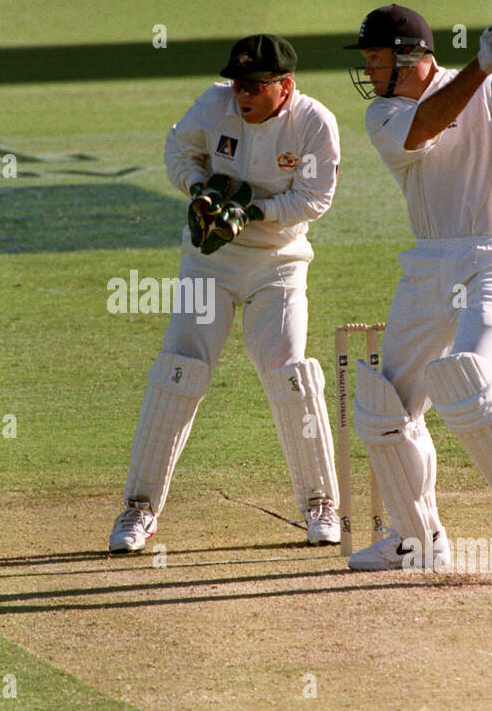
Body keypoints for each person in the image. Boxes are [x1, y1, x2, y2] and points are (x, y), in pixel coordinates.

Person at [342, 4, 492, 572]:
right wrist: (483, 66)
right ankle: (415, 540)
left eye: (374, 58)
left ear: (410, 56)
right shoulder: (387, 115)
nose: (367, 72)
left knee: (469, 378)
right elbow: (427, 125)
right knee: (382, 405)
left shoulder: (489, 90)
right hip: (427, 267)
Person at [109, 35, 342, 552]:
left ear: (285, 86)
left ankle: (321, 504)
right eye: (239, 83)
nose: (243, 94)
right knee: (180, 366)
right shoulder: (214, 102)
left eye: (256, 86)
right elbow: (179, 149)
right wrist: (200, 191)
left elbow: (315, 197)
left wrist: (251, 213)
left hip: (278, 263)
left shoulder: (313, 122)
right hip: (207, 260)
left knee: (288, 371)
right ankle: (138, 508)